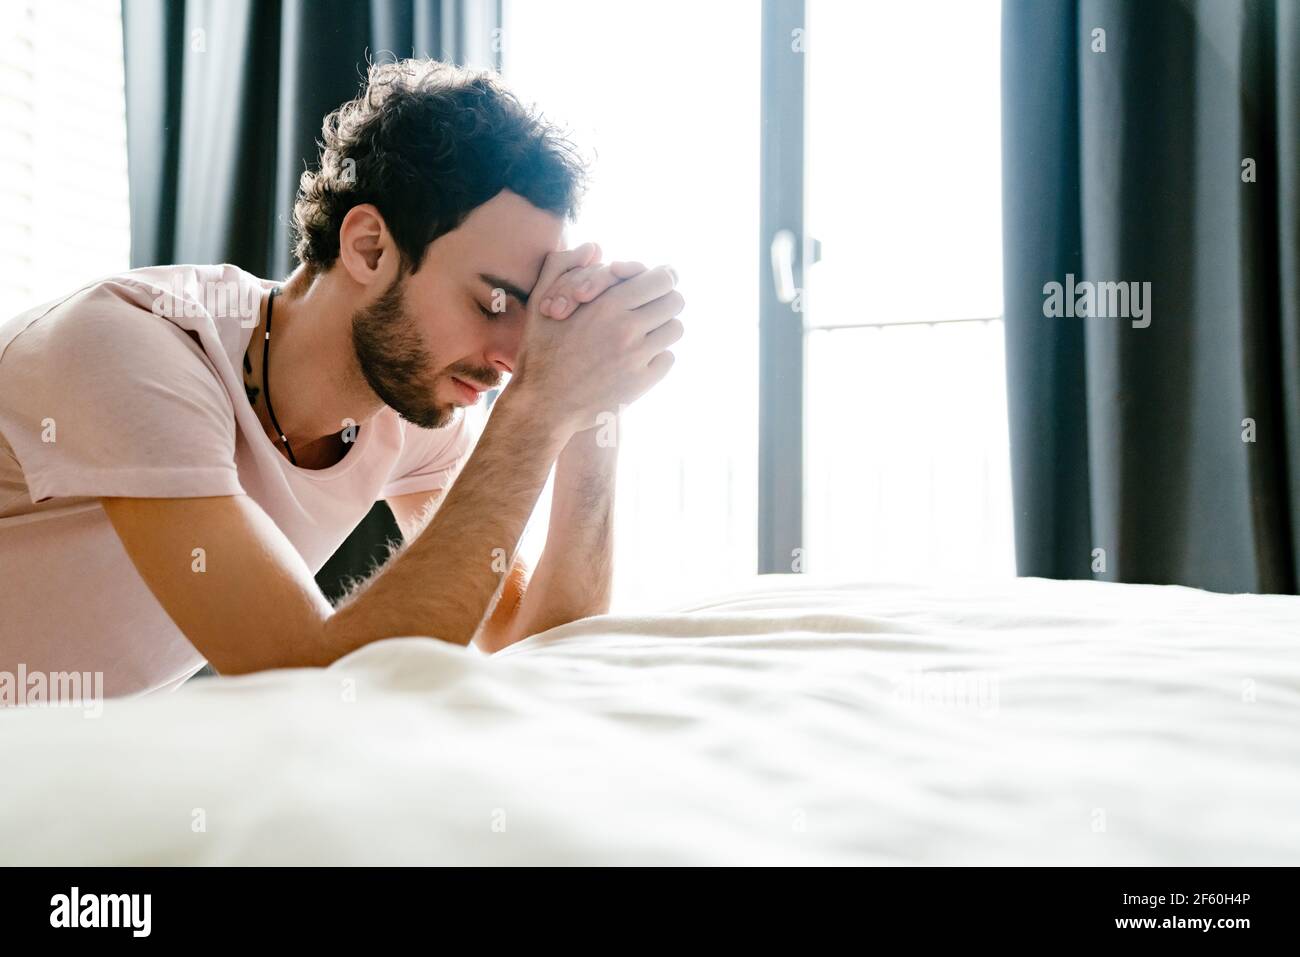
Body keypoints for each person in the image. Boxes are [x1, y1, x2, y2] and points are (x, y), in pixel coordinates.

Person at [0, 58, 684, 699]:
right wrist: (538, 408)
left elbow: (528, 640)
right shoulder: (135, 350)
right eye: (491, 303)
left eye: (531, 322)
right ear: (369, 247)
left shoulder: (412, 409)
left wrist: (590, 408)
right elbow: (312, 674)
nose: (512, 358)